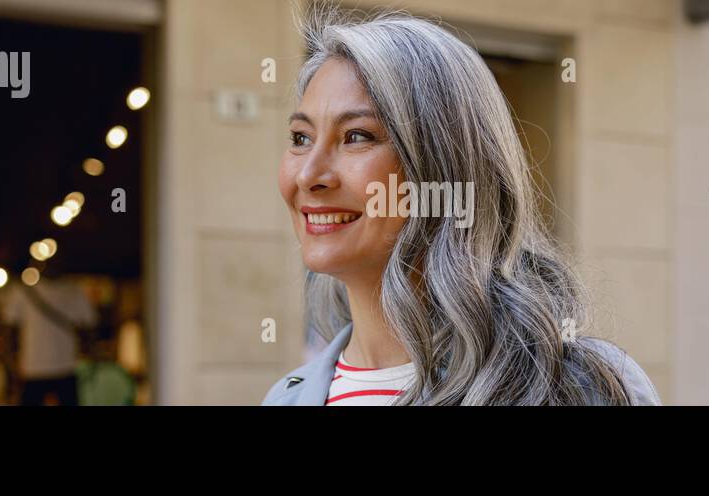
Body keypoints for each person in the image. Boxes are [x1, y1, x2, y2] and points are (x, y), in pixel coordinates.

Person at [263, 8, 660, 406]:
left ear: (444, 166)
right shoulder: (284, 398)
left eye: (356, 136)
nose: (308, 175)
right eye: (300, 138)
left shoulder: (581, 386)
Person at [0, 274, 97, 406]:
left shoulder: (74, 291)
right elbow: (9, 329)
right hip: (34, 368)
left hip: (64, 367)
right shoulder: (24, 291)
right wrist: (10, 360)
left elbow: (89, 326)